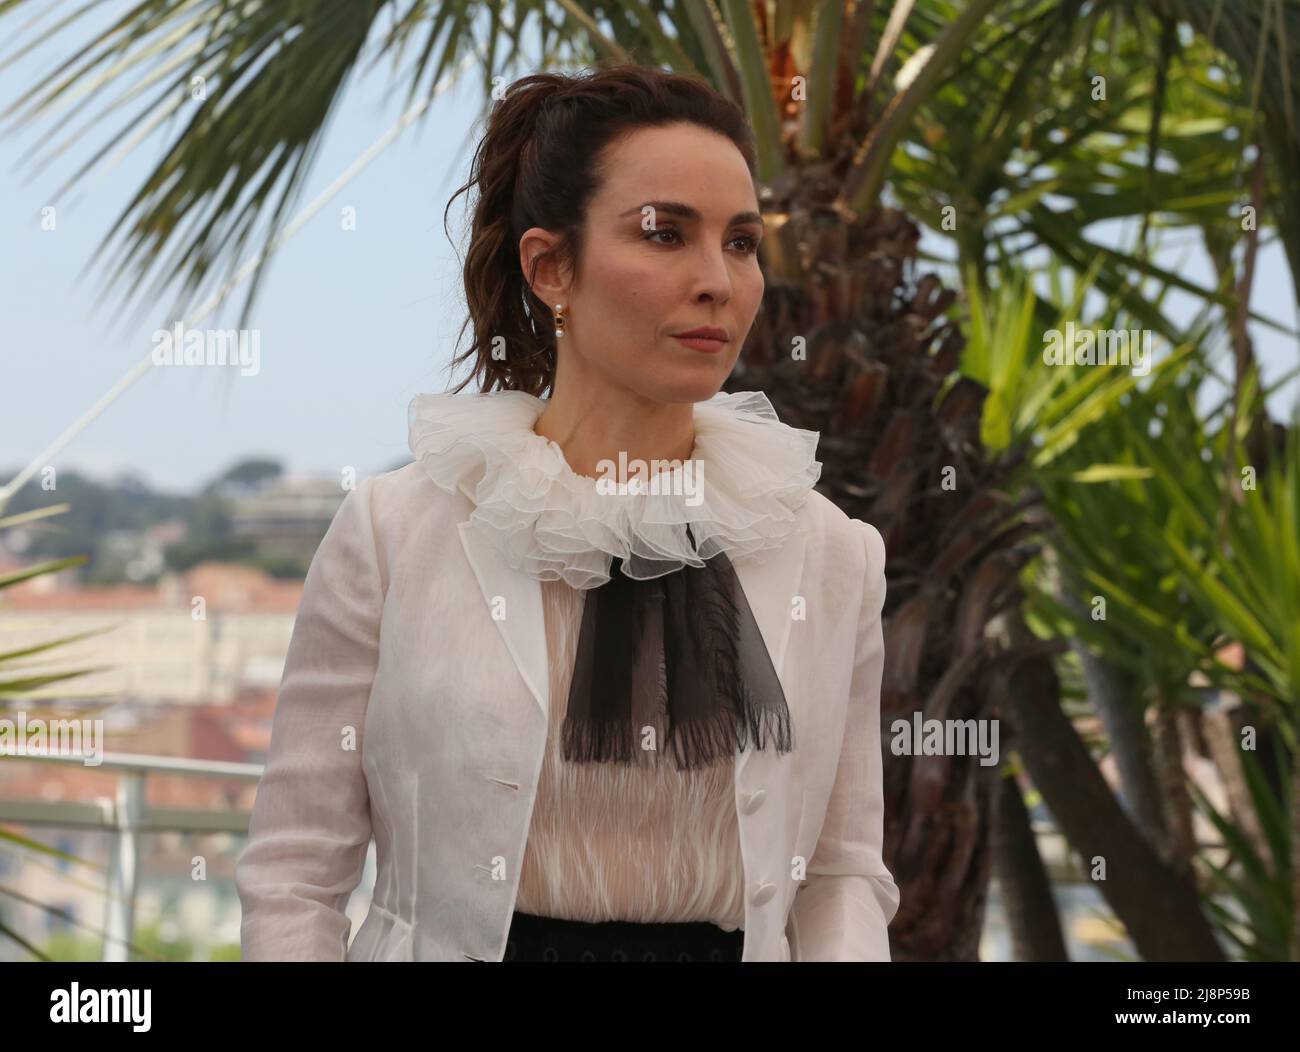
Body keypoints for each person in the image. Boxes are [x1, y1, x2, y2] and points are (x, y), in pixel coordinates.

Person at [235, 63, 898, 963]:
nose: (718, 281)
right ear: (552, 267)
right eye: (665, 234)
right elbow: (295, 872)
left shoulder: (832, 555)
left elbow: (843, 873)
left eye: (740, 243)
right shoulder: (395, 532)